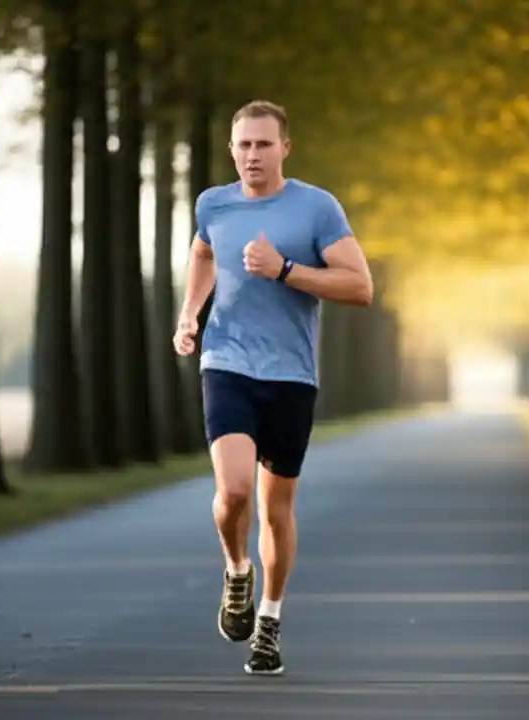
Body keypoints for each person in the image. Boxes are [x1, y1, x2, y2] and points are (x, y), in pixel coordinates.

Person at [173, 99, 374, 675]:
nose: (253, 155)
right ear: (231, 150)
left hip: (290, 374)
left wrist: (286, 269)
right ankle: (237, 571)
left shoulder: (316, 209)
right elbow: (203, 251)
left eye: (264, 144)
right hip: (226, 360)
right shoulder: (213, 203)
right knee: (233, 492)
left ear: (285, 148)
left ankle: (270, 619)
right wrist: (190, 312)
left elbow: (359, 287)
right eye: (244, 145)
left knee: (275, 508)